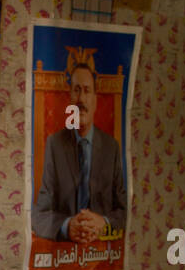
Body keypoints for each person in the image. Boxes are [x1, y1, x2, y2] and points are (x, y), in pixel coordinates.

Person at [31, 62, 127, 243]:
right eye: (76, 90)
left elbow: (125, 212)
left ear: (95, 100)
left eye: (87, 90)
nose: (81, 99)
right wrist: (67, 226)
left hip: (103, 253)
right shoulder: (55, 144)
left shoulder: (111, 147)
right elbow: (39, 215)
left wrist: (104, 223)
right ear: (70, 99)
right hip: (65, 253)